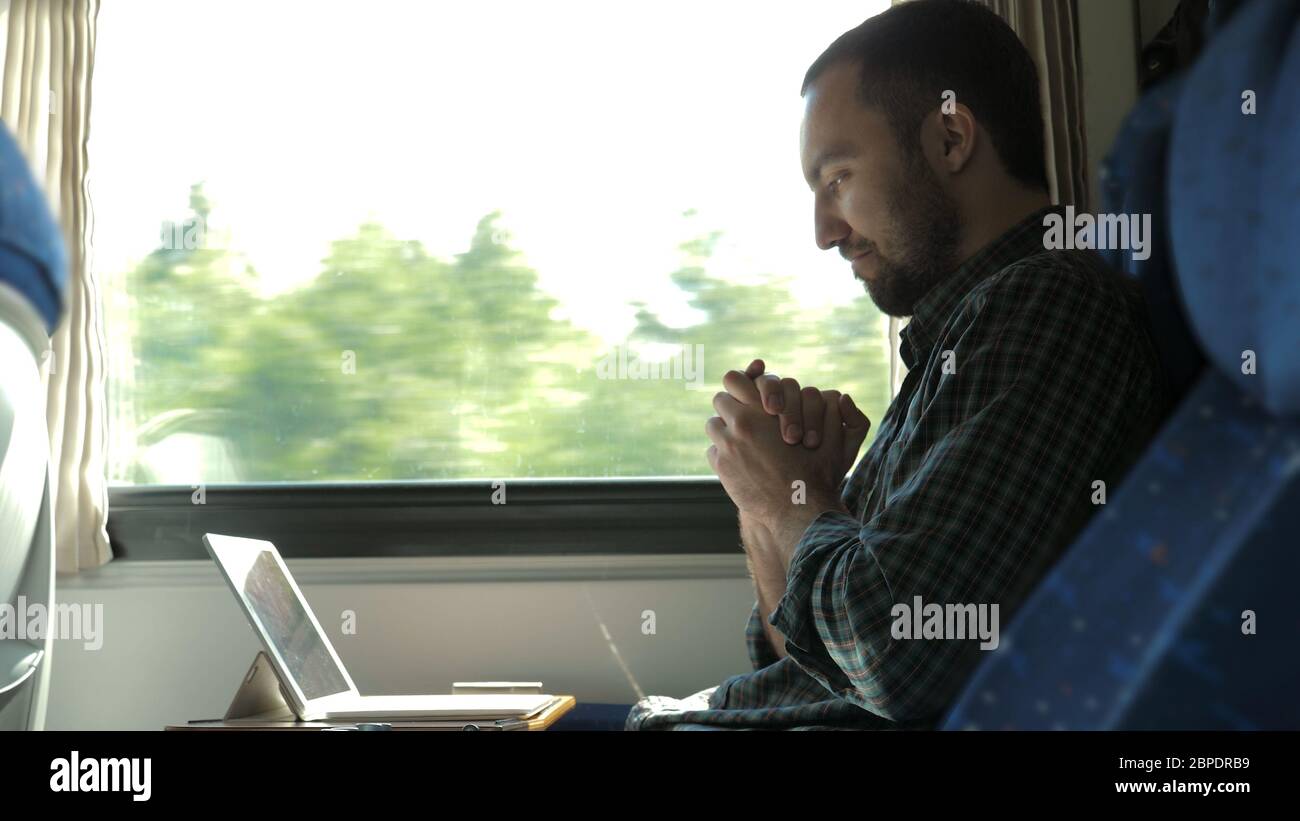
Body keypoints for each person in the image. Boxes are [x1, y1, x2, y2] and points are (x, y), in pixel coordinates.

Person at [628, 0, 1167, 730]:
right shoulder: (956, 340)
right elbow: (800, 663)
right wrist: (768, 503)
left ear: (950, 137)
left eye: (838, 177)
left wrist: (797, 503)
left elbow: (898, 655)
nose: (824, 231)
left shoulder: (1050, 309)